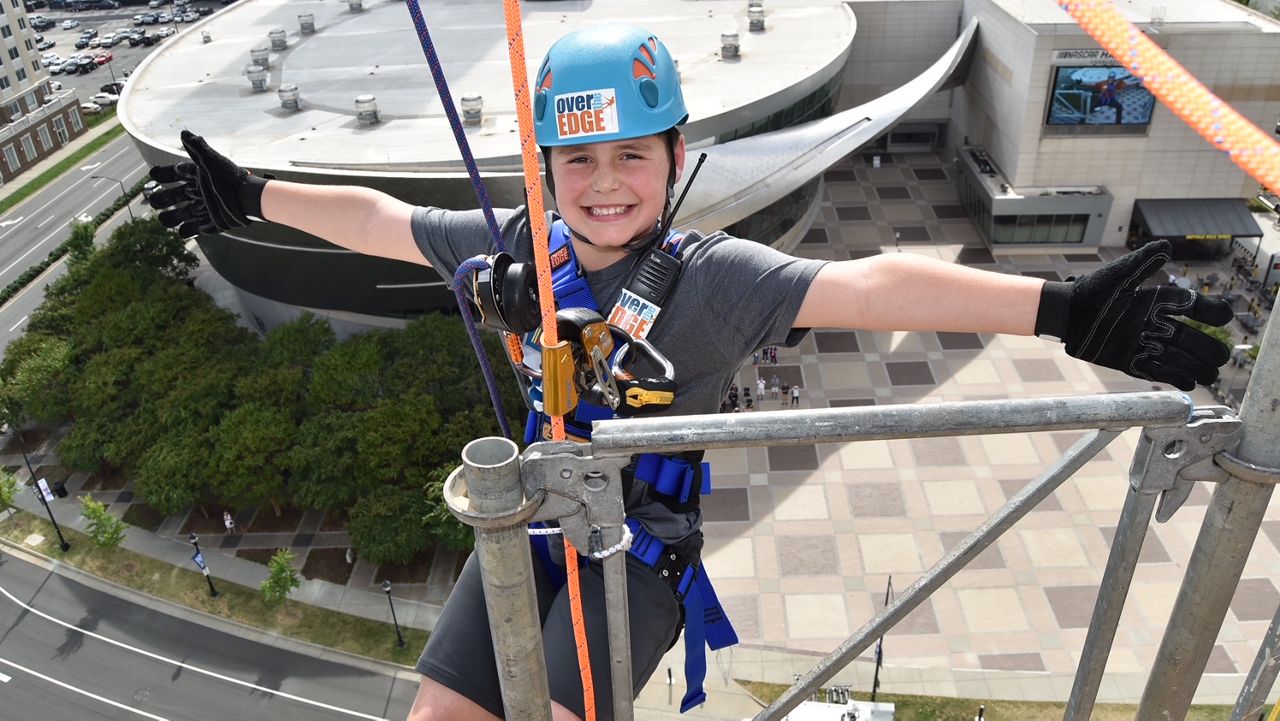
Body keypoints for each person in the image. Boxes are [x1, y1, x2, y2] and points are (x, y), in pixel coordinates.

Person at [147, 23, 1231, 721]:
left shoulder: (713, 282)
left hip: (632, 555)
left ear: (675, 162)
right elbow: (385, 222)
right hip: (526, 532)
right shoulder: (519, 245)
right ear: (547, 171)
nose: (604, 182)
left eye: (631, 156)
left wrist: (1062, 309)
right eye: (578, 159)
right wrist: (256, 198)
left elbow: (866, 287)